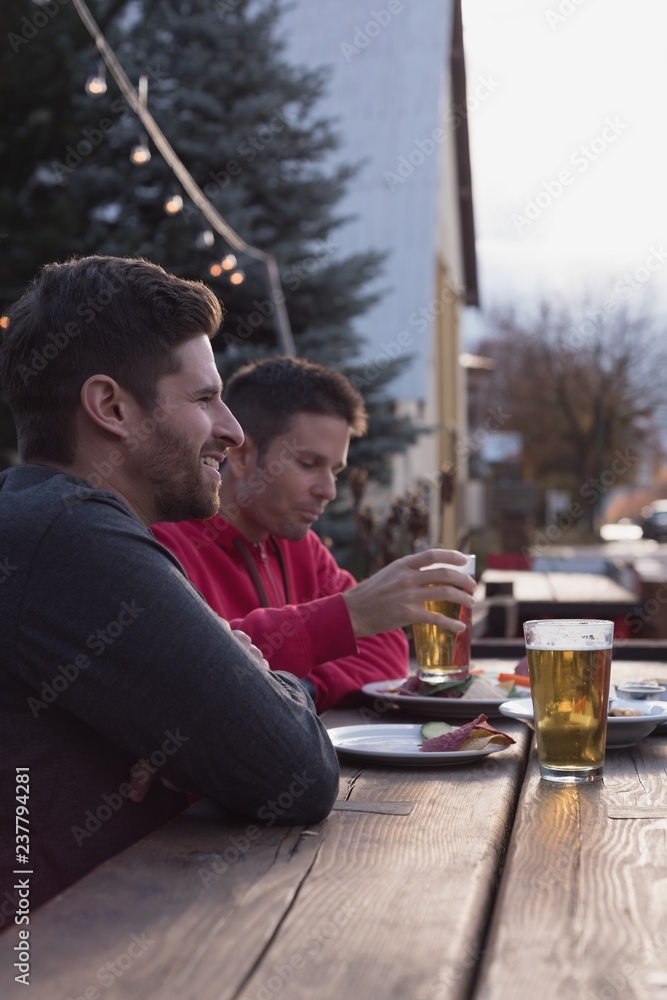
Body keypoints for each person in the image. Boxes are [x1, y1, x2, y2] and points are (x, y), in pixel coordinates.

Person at [0, 256, 340, 912]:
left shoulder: (42, 522)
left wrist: (209, 713)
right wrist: (262, 680)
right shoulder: (67, 537)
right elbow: (294, 775)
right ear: (111, 406)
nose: (233, 432)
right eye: (205, 399)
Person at [153, 357, 477, 712]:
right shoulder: (166, 542)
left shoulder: (302, 547)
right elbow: (201, 661)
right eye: (309, 465)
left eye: (336, 471)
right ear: (243, 456)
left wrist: (299, 689)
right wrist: (344, 619)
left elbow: (386, 650)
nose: (329, 490)